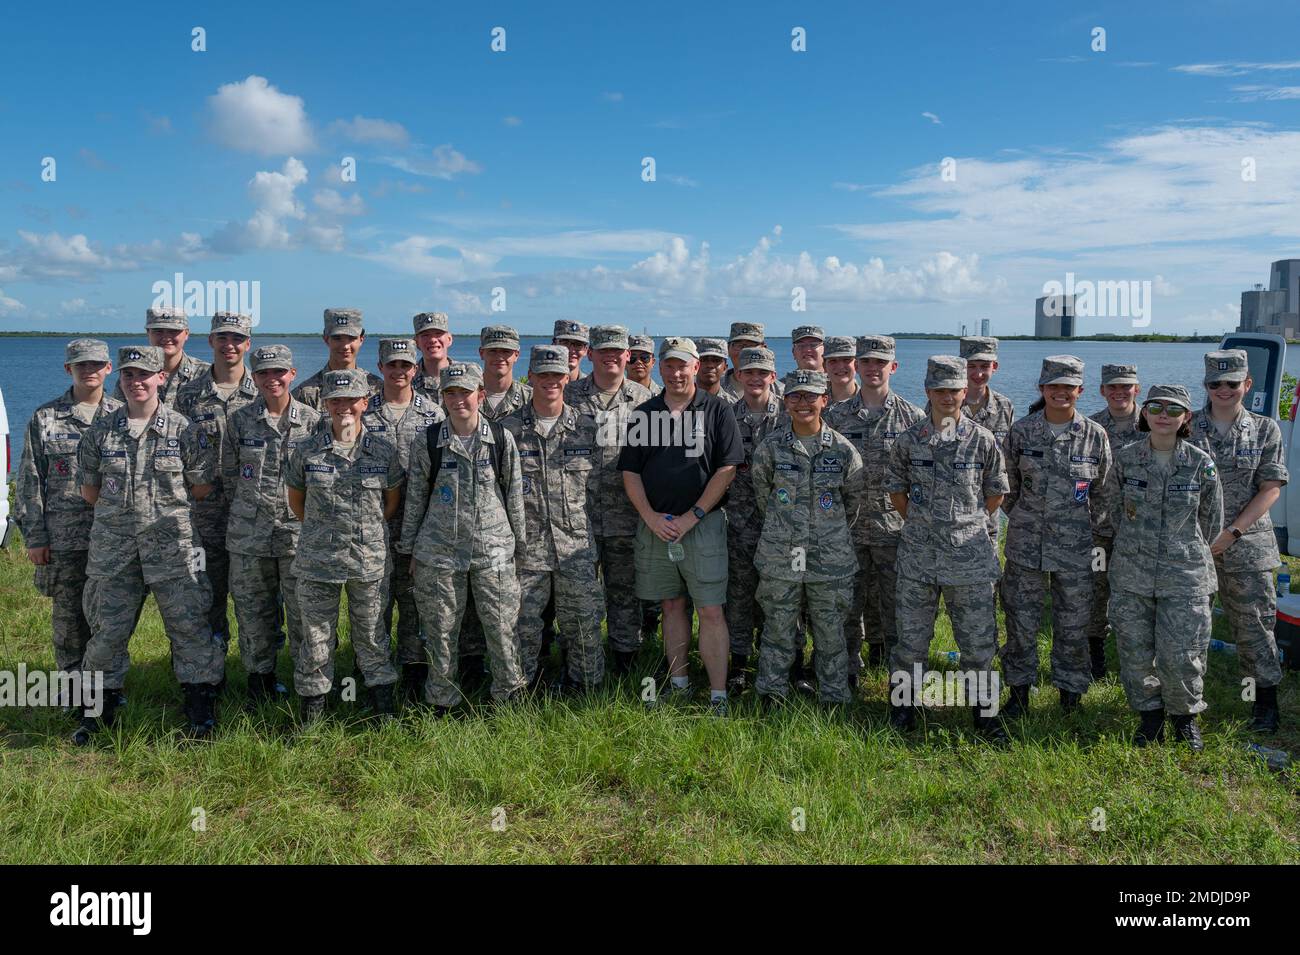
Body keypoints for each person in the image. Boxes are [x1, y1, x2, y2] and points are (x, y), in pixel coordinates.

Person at [75, 346, 224, 743]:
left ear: (161, 377)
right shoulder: (101, 432)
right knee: (107, 631)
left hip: (173, 549)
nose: (136, 382)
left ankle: (199, 709)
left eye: (145, 375)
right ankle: (99, 711)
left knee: (189, 628)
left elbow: (202, 486)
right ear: (119, 379)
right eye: (128, 375)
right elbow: (90, 490)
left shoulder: (185, 430)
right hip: (114, 550)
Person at [885, 356, 1008, 743]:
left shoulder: (983, 440)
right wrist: (925, 525)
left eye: (954, 390)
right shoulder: (909, 440)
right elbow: (896, 491)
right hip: (918, 558)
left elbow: (995, 493)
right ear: (927, 392)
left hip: (969, 560)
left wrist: (964, 523)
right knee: (911, 642)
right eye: (939, 390)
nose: (947, 397)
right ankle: (904, 709)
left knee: (978, 644)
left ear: (964, 393)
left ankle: (985, 714)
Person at [619, 337, 745, 715]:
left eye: (683, 365)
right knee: (672, 605)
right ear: (660, 368)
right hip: (657, 526)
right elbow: (630, 472)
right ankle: (678, 684)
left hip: (702, 525)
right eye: (669, 365)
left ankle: (718, 695)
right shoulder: (645, 413)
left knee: (710, 610)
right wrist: (650, 517)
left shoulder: (717, 411)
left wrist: (695, 516)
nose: (676, 373)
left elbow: (727, 469)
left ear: (695, 367)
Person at [399, 362, 529, 711]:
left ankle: (508, 696)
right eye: (450, 393)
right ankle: (442, 700)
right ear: (442, 397)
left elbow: (514, 495)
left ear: (480, 395)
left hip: (494, 553)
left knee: (502, 629)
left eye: (466, 393)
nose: (458, 400)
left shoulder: (501, 439)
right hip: (439, 554)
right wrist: (410, 550)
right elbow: (415, 499)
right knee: (441, 633)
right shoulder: (429, 441)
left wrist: (521, 549)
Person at [285, 369, 404, 724]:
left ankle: (380, 703)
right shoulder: (307, 451)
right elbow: (297, 503)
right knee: (316, 636)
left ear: (364, 403)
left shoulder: (383, 451)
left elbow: (391, 503)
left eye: (351, 400)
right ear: (325, 405)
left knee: (371, 635)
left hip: (369, 562)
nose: (344, 407)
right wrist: (327, 532)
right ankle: (314, 708)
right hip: (318, 561)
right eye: (336, 400)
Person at [1109, 385, 1223, 750]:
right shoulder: (1125, 460)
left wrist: (1179, 550)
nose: (1163, 415)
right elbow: (1113, 513)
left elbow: (1211, 522)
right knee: (1135, 652)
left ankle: (1185, 720)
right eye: (1155, 407)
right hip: (1132, 573)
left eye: (1174, 410)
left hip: (1185, 575)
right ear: (1144, 413)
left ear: (1186, 418)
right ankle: (1150, 720)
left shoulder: (1200, 463)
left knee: (1183, 654)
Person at [1000, 356, 1114, 716]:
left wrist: (1083, 530)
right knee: (1020, 621)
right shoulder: (1022, 432)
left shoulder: (1095, 435)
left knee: (1073, 624)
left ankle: (1070, 695)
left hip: (1076, 549)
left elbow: (1104, 493)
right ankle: (1018, 693)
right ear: (1042, 389)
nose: (1060, 392)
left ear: (1080, 390)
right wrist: (1029, 518)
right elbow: (1008, 489)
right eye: (1053, 386)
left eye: (1068, 387)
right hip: (1025, 544)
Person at [749, 369, 864, 705]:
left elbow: (851, 504)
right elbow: (763, 497)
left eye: (810, 396)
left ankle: (833, 695)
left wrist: (827, 534)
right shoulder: (770, 449)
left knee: (830, 632)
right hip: (781, 557)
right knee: (778, 628)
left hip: (829, 559)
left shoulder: (843, 452)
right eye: (795, 396)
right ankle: (772, 692)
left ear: (824, 401)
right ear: (785, 402)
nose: (803, 403)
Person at [216, 344, 323, 703]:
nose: (272, 379)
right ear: (254, 377)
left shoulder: (314, 422)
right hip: (249, 537)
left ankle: (307, 685)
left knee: (303, 615)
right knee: (253, 613)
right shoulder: (240, 420)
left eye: (279, 372)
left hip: (299, 537)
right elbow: (231, 477)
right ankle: (259, 680)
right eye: (263, 373)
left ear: (292, 375)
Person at [1190, 350, 1288, 733]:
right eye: (1216, 384)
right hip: (1195, 544)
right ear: (1207, 386)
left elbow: (1271, 489)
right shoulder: (1188, 426)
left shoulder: (1265, 429)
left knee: (1254, 626)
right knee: (1191, 626)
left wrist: (1231, 534)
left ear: (1246, 385)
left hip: (1247, 545)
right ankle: (1189, 705)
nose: (1224, 390)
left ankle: (1262, 701)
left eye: (1232, 383)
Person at [15, 339, 122, 684]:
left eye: (95, 365)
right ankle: (71, 685)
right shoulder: (46, 417)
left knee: (110, 616)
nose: (88, 371)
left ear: (108, 369)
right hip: (65, 539)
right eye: (81, 365)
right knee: (69, 619)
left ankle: (107, 684)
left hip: (113, 537)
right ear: (68, 369)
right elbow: (31, 480)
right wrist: (36, 537)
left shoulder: (123, 416)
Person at [503, 345, 606, 689]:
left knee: (584, 626)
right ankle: (521, 692)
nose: (550, 381)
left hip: (575, 546)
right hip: (526, 548)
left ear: (566, 378)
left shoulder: (588, 429)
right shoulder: (507, 431)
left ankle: (587, 691)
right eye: (542, 374)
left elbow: (601, 489)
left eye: (557, 375)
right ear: (530, 377)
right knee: (522, 626)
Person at [825, 335, 923, 677]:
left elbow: (923, 479)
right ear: (857, 366)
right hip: (846, 531)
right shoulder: (834, 417)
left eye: (880, 363)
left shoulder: (913, 418)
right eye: (865, 362)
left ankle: (900, 679)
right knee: (846, 607)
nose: (872, 369)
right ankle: (846, 673)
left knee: (898, 609)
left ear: (893, 367)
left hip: (895, 532)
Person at [566, 325, 653, 672]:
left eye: (618, 351)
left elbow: (656, 458)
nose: (611, 357)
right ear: (590, 354)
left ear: (628, 355)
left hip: (626, 515)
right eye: (603, 351)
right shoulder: (569, 396)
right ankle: (580, 662)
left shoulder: (645, 402)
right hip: (576, 514)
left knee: (625, 593)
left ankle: (626, 661)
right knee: (578, 595)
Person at [362, 339, 444, 701]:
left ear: (416, 369)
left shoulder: (434, 415)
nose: (399, 372)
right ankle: (371, 674)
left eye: (406, 366)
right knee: (372, 604)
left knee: (414, 605)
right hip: (369, 526)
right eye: (392, 365)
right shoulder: (363, 413)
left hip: (420, 526)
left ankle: (413, 676)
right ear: (380, 368)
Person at [176, 312, 258, 648]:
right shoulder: (188, 395)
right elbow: (176, 451)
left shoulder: (264, 391)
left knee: (256, 600)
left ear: (248, 344)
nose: (229, 345)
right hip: (201, 518)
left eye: (237, 338)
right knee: (202, 598)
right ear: (210, 341)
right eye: (222, 338)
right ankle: (207, 674)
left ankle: (259, 672)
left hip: (252, 517)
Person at [723, 346, 787, 691]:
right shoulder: (725, 416)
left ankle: (780, 659)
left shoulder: (790, 416)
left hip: (782, 525)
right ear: (739, 376)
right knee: (741, 594)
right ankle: (739, 662)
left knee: (782, 595)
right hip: (740, 523)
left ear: (773, 377)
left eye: (762, 373)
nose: (755, 378)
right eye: (749, 372)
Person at [1088, 363, 1142, 679]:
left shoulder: (1153, 424)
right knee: (1096, 592)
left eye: (1126, 386)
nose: (1119, 392)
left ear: (1137, 388)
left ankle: (1136, 663)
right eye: (1113, 387)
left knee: (1135, 596)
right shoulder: (1092, 427)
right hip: (1100, 528)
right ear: (1102, 391)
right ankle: (1095, 659)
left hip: (1138, 532)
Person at [113, 305, 210, 405]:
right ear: (148, 333)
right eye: (158, 331)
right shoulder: (133, 376)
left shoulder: (206, 374)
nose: (166, 337)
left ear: (186, 334)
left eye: (173, 331)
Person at [291, 308, 383, 409]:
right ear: (326, 339)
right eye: (337, 338)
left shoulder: (377, 388)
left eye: (351, 338)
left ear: (361, 340)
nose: (345, 346)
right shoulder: (306, 393)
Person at [479, 325, 532, 421]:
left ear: (516, 355)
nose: (499, 357)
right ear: (481, 353)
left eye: (506, 351)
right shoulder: (465, 395)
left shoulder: (531, 399)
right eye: (493, 351)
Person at [721, 322, 783, 399]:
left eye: (751, 346)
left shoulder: (781, 391)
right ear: (728, 349)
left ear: (764, 349)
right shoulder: (714, 387)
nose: (743, 351)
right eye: (738, 345)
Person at [412, 311, 452, 403]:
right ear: (416, 342)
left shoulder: (468, 375)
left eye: (438, 333)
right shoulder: (407, 379)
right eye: (425, 335)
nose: (433, 340)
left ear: (449, 339)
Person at [823, 336, 859, 414]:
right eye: (833, 360)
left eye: (846, 360)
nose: (840, 366)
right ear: (824, 366)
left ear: (857, 364)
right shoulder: (814, 401)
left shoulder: (869, 403)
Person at [695, 338, 737, 404]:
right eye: (704, 360)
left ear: (725, 368)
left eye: (716, 360)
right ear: (694, 366)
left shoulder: (733, 406)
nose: (710, 365)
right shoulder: (680, 401)